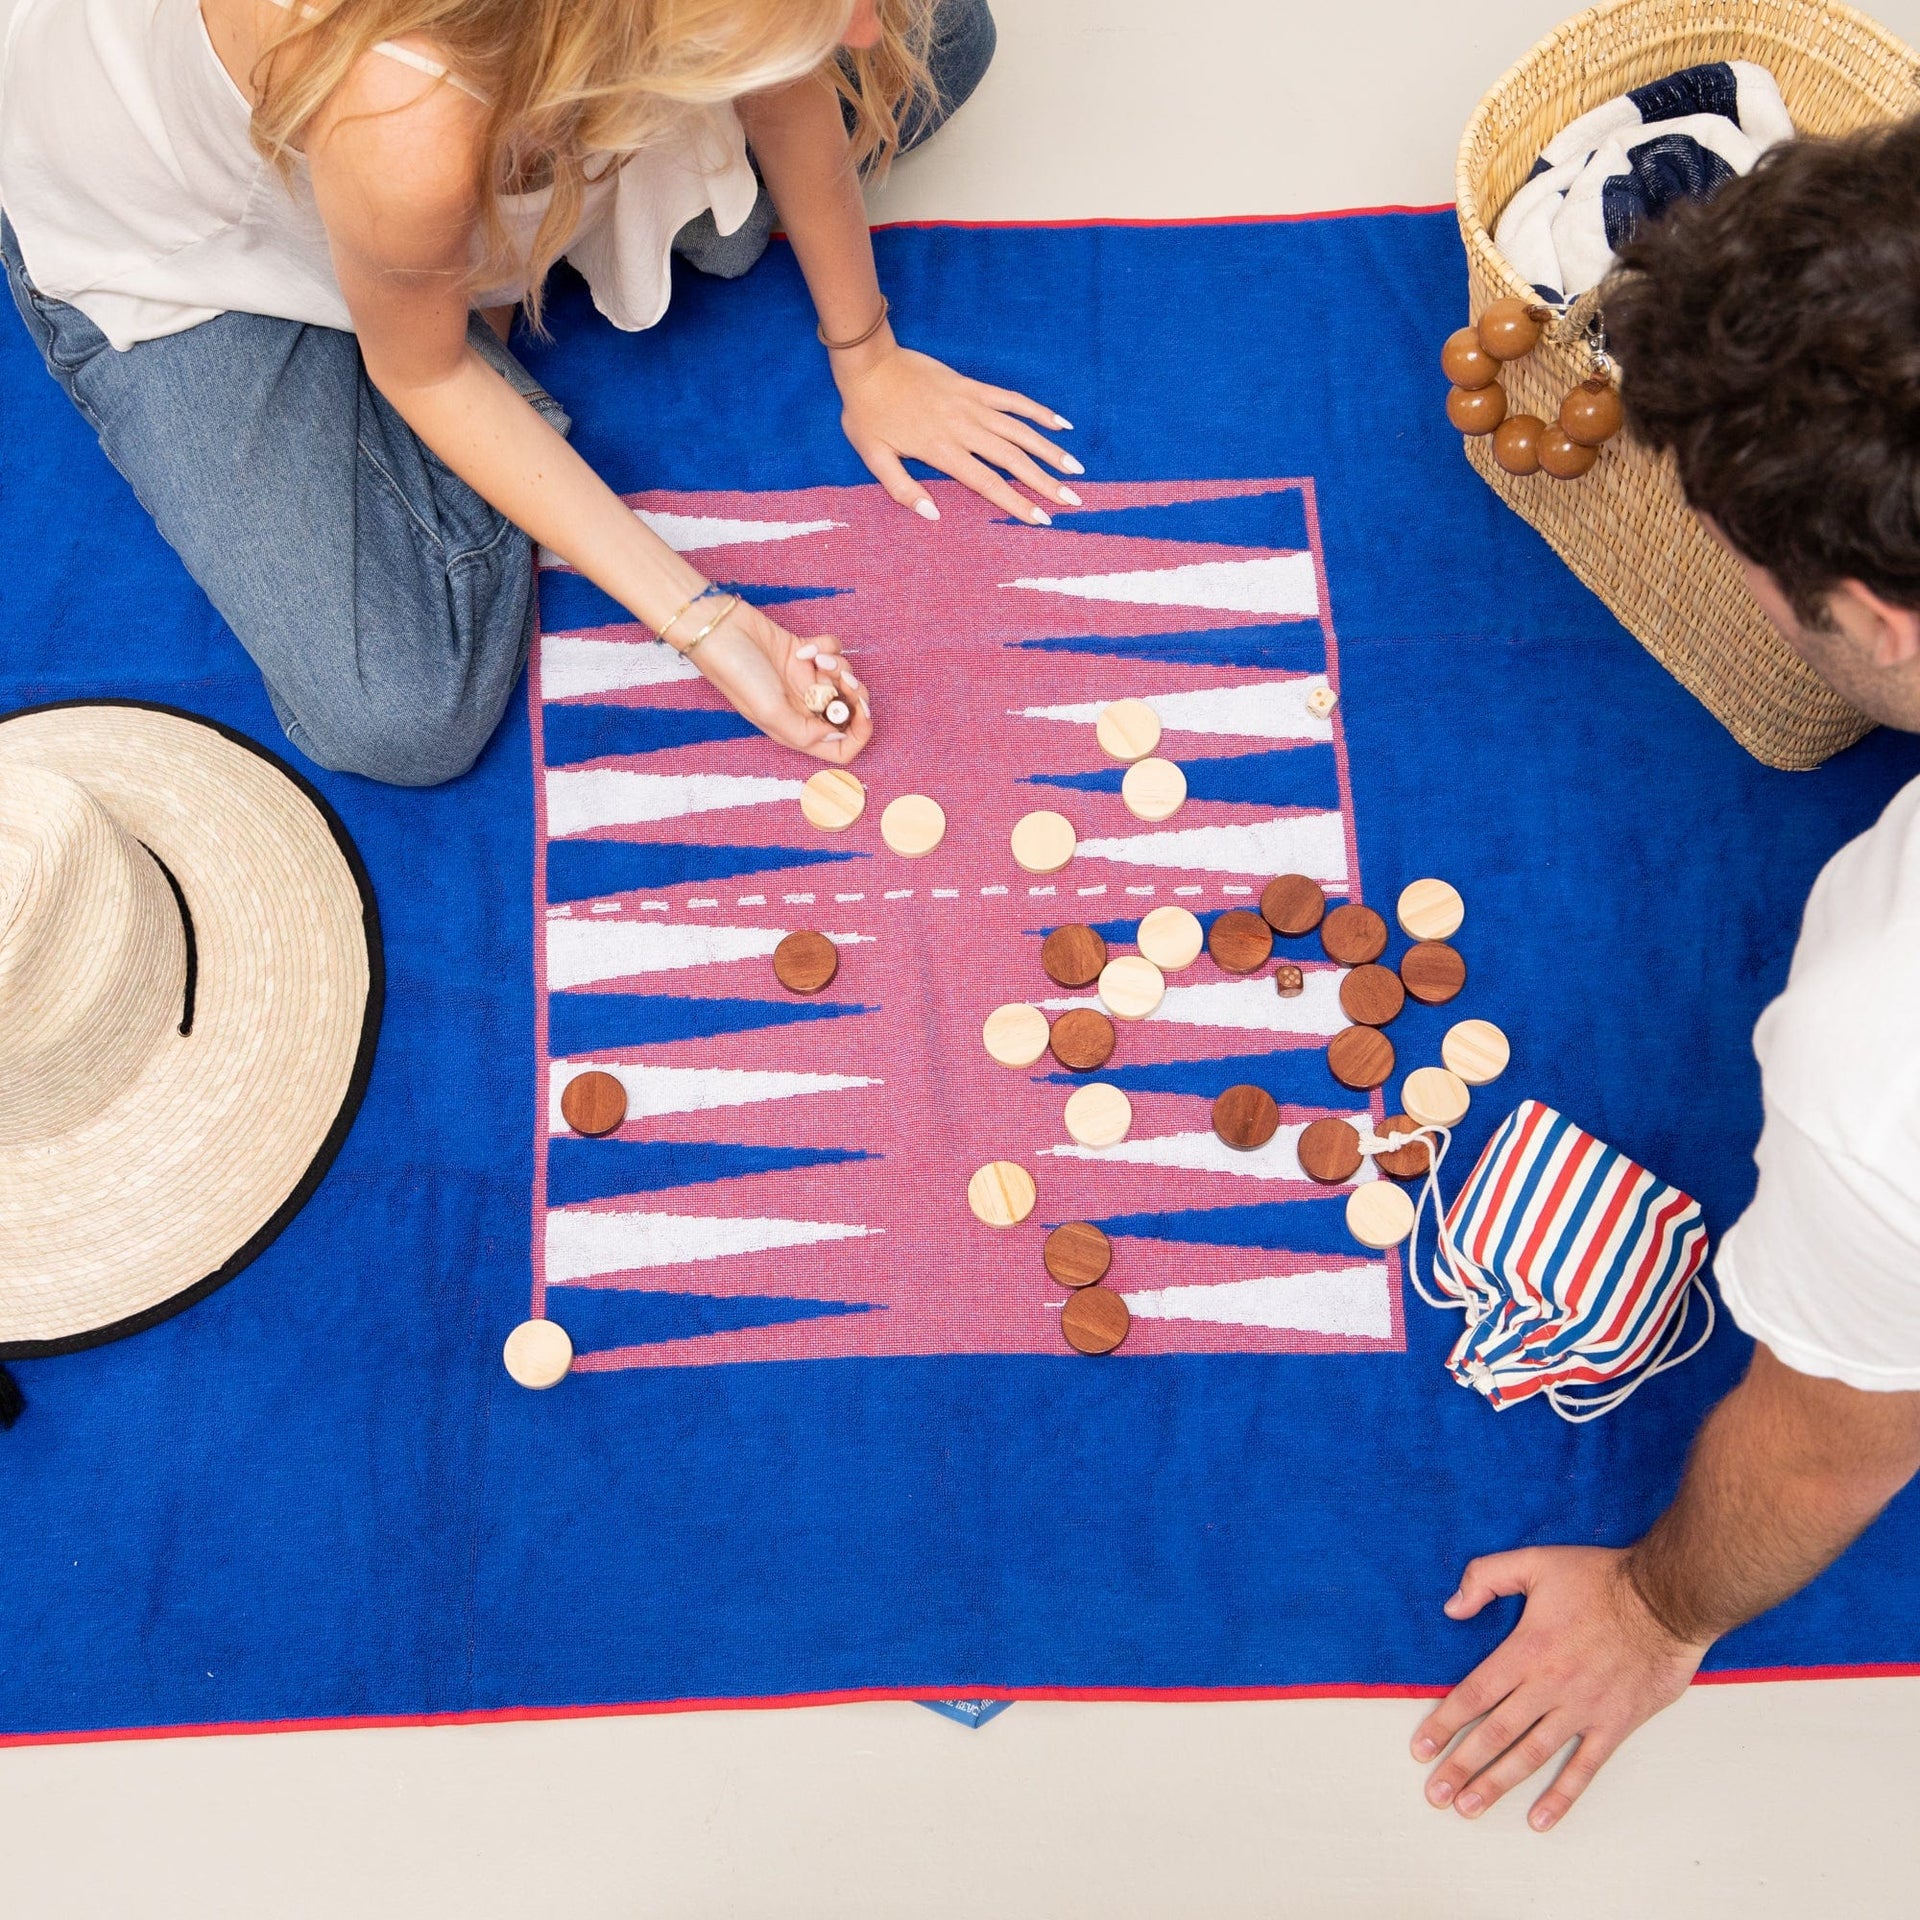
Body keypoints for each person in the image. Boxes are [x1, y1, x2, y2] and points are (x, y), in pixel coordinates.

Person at [1412, 113, 1920, 1833]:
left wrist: (1652, 1605)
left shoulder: (1880, 1049)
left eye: (1759, 568)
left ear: (1882, 616)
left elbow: (1845, 1429)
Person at [0, 0, 1076, 787]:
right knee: (401, 711)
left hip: (510, 115)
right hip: (210, 227)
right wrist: (710, 623)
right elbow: (423, 369)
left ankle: (484, 269)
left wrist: (868, 353)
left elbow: (789, 80)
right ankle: (472, 287)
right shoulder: (404, 113)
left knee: (942, 40)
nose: (855, 29)